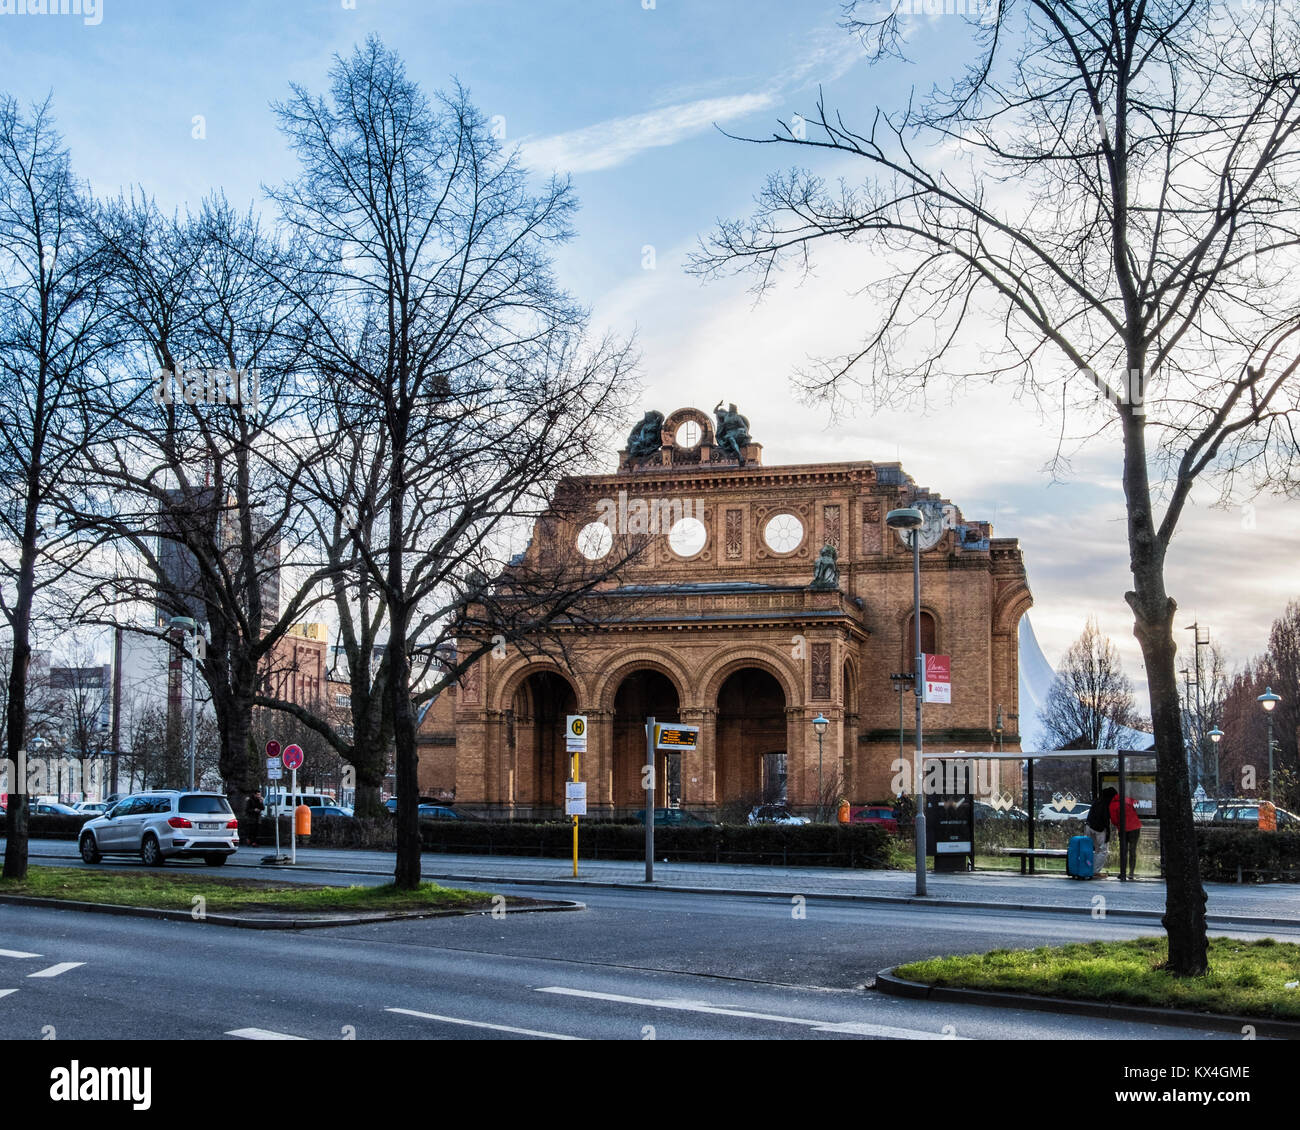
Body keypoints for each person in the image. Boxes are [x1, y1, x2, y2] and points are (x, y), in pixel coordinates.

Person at [1108, 788, 1143, 876]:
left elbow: (1114, 820)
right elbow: (1137, 803)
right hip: (1135, 827)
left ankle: (1123, 872)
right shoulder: (1126, 799)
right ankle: (1131, 872)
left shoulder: (1112, 805)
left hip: (1123, 829)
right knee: (1132, 851)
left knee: (1123, 851)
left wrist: (1119, 826)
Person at [1085, 787, 1115, 875]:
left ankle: (1088, 868)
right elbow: (1105, 820)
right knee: (1103, 851)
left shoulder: (1096, 801)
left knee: (1093, 850)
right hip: (1099, 829)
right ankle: (1095, 871)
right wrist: (1108, 834)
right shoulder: (1106, 804)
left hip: (1089, 826)